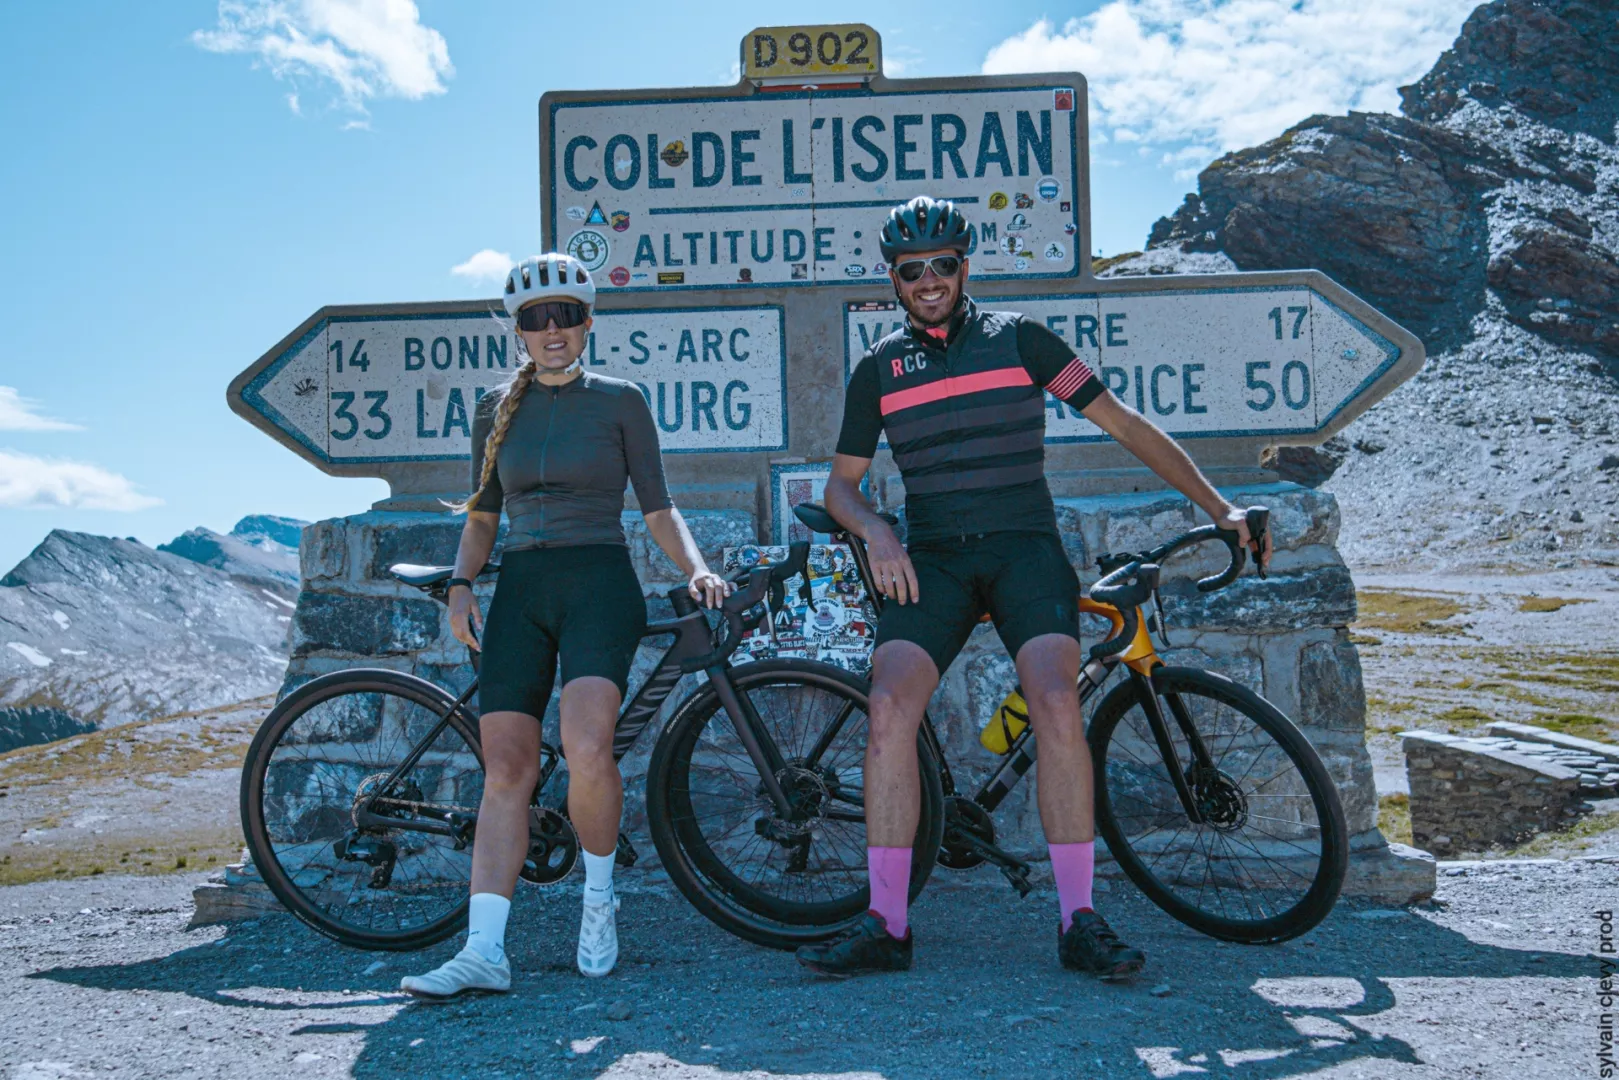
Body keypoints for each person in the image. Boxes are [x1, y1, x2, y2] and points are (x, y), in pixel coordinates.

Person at [796, 197, 1273, 979]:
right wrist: (876, 531)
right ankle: (886, 924)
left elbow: (1123, 423)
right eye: (911, 270)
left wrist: (1219, 506)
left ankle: (1078, 920)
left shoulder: (1022, 339)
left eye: (941, 265)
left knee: (1053, 699)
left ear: (964, 267)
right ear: (892, 278)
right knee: (887, 705)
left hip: (1025, 549)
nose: (927, 281)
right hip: (935, 558)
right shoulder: (877, 367)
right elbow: (840, 487)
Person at [401, 253, 731, 999]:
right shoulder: (496, 408)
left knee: (587, 748)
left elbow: (657, 505)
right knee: (507, 770)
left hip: (598, 583)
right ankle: (484, 951)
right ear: (517, 329)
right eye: (534, 319)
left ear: (587, 321)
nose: (552, 330)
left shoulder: (621, 400)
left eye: (566, 315)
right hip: (522, 586)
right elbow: (482, 512)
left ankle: (598, 900)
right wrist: (460, 586)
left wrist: (696, 567)